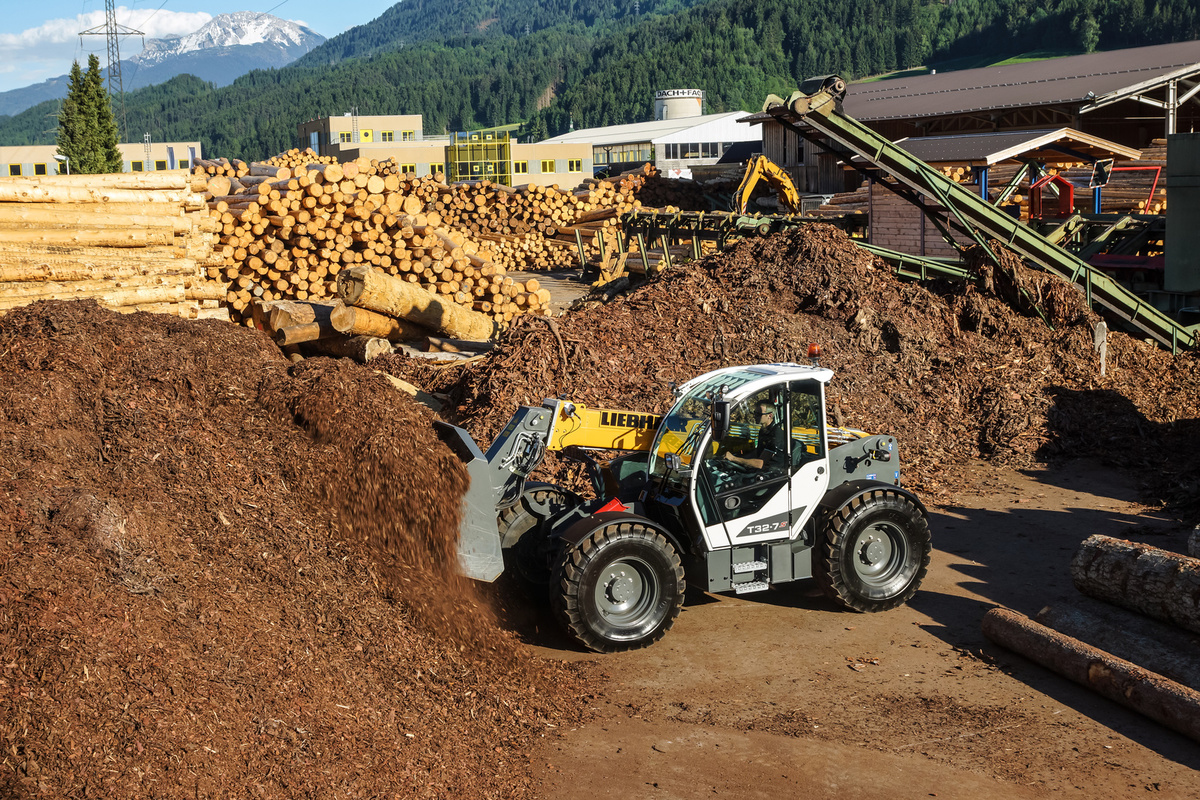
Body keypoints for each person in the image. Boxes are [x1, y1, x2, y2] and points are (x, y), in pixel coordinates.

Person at [724, 400, 788, 473]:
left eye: (758, 414)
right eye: (755, 413)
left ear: (770, 416)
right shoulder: (763, 430)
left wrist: (734, 458)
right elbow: (758, 452)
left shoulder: (775, 434)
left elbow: (760, 463)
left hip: (772, 474)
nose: (755, 416)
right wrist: (738, 457)